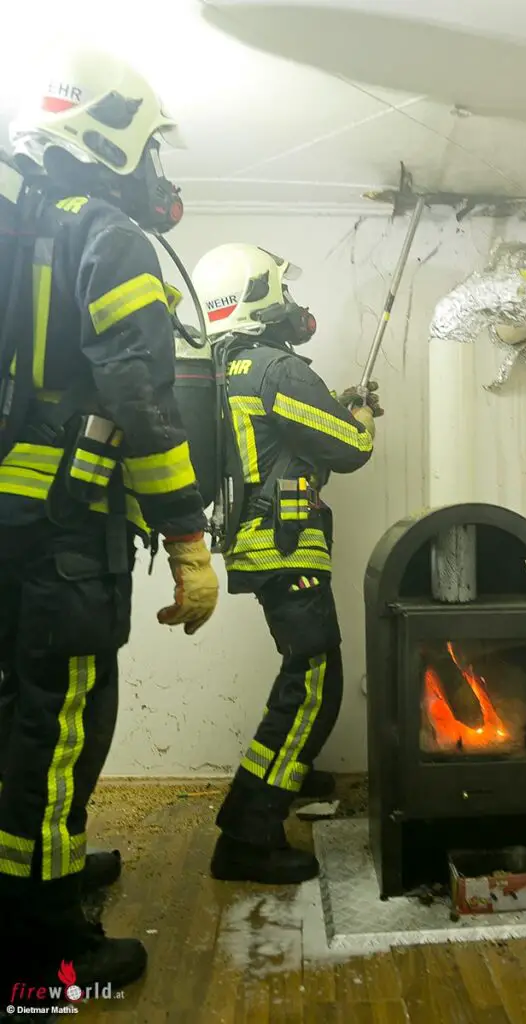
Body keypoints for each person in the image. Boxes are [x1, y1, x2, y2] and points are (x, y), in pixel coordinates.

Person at [0, 49, 219, 1000]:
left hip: (13, 514)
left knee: (17, 709)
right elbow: (139, 389)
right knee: (61, 721)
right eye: (150, 149)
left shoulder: (22, 223)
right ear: (113, 133)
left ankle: (39, 867)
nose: (155, 172)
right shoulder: (106, 232)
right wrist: (186, 535)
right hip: (66, 525)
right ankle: (41, 953)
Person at [191, 243, 382, 885]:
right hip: (286, 545)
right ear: (259, 295)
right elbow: (350, 446)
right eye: (282, 289)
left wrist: (335, 403)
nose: (293, 304)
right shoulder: (273, 367)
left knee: (304, 679)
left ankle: (285, 775)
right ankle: (249, 831)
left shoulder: (225, 367)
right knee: (314, 685)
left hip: (258, 544)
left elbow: (284, 436)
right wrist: (359, 415)